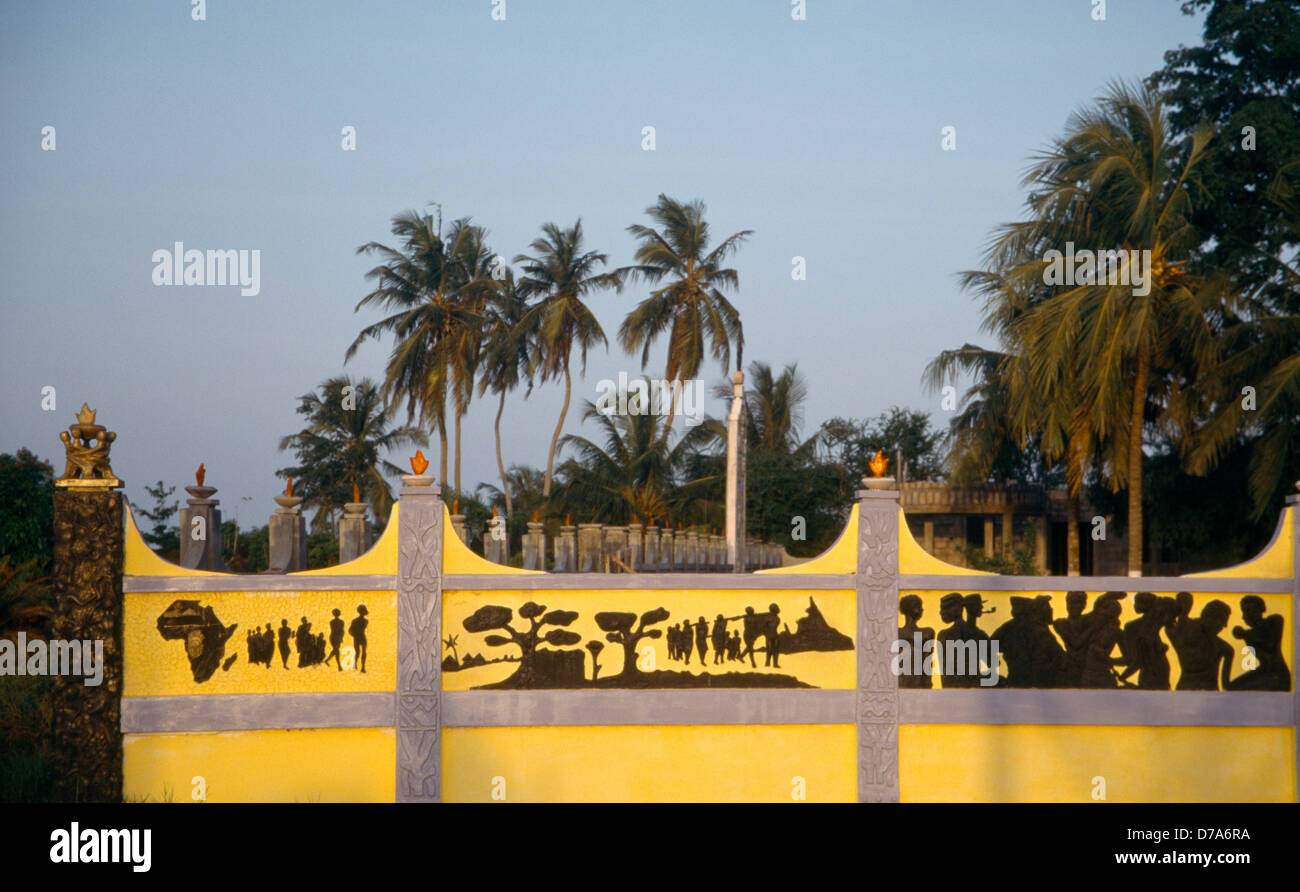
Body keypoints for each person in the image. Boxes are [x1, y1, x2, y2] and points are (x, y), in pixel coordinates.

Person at [1227, 595, 1290, 691]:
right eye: (1244, 612)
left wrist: (1245, 634)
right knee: (1232, 687)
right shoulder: (1249, 635)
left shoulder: (1274, 620)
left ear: (1260, 610)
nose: (1244, 616)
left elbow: (1269, 643)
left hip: (1277, 675)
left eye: (1248, 610)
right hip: (1264, 672)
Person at [1175, 600, 1234, 690]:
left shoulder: (1225, 648)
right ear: (1205, 617)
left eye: (1223, 622)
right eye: (1219, 620)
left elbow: (1226, 685)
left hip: (1210, 692)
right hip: (1186, 689)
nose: (1222, 626)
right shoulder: (1188, 635)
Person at [897, 594, 935, 688]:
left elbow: (928, 661)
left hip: (919, 682)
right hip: (901, 680)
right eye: (919, 607)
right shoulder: (897, 632)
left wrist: (927, 682)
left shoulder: (927, 632)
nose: (922, 610)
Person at [349, 605, 368, 673]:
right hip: (361, 637)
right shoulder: (365, 621)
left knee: (359, 652)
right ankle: (361, 667)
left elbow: (350, 630)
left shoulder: (355, 620)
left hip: (357, 637)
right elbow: (350, 630)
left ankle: (358, 666)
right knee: (361, 652)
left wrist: (354, 635)